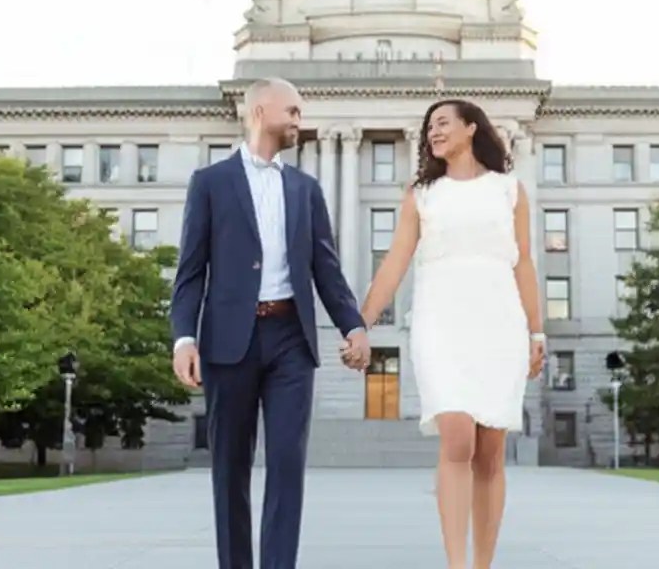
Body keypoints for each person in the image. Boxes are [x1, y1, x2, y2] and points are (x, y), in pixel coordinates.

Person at [169, 77, 371, 569]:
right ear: (260, 111)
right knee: (230, 471)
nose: (301, 120)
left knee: (286, 466)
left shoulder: (305, 188)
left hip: (290, 342)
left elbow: (326, 267)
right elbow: (191, 271)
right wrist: (183, 338)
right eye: (294, 111)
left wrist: (355, 325)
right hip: (227, 342)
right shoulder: (210, 183)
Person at [349, 99, 546, 569]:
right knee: (457, 438)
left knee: (491, 452)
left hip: (500, 321)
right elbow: (395, 261)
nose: (433, 133)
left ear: (470, 128)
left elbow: (524, 262)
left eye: (442, 123)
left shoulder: (509, 191)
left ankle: (482, 565)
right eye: (428, 127)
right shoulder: (422, 194)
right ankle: (456, 564)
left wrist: (536, 334)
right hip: (441, 320)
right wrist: (362, 322)